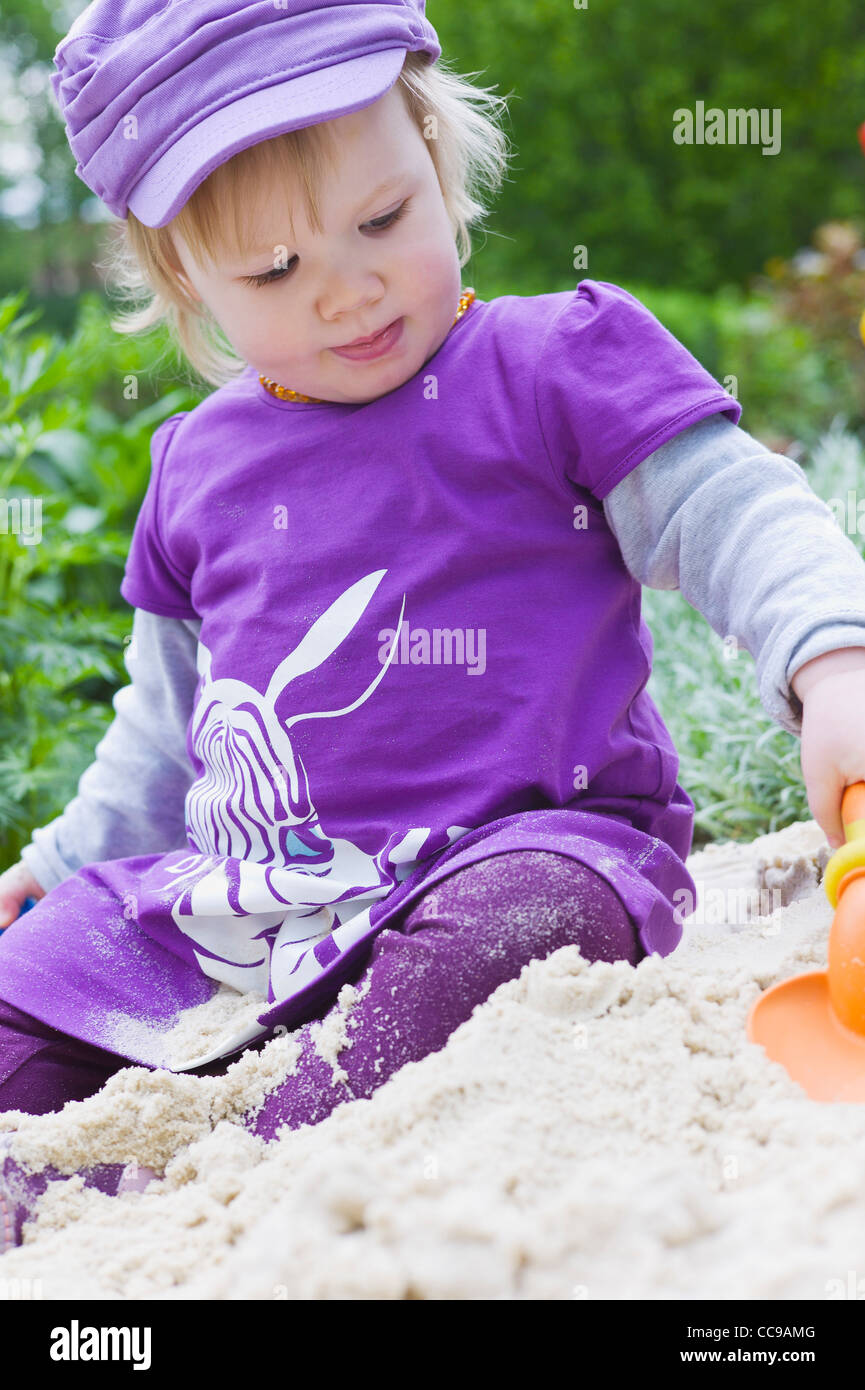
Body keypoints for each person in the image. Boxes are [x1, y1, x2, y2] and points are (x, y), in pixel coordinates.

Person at [3, 0, 865, 1253]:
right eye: (275, 272)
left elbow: (738, 516)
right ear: (183, 280)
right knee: (35, 982)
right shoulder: (195, 466)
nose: (349, 289)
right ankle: (59, 1191)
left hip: (513, 848)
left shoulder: (550, 364)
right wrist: (59, 869)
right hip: (274, 895)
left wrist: (832, 658)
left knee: (532, 915)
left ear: (438, 158)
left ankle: (259, 1149)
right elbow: (165, 736)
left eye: (383, 220)